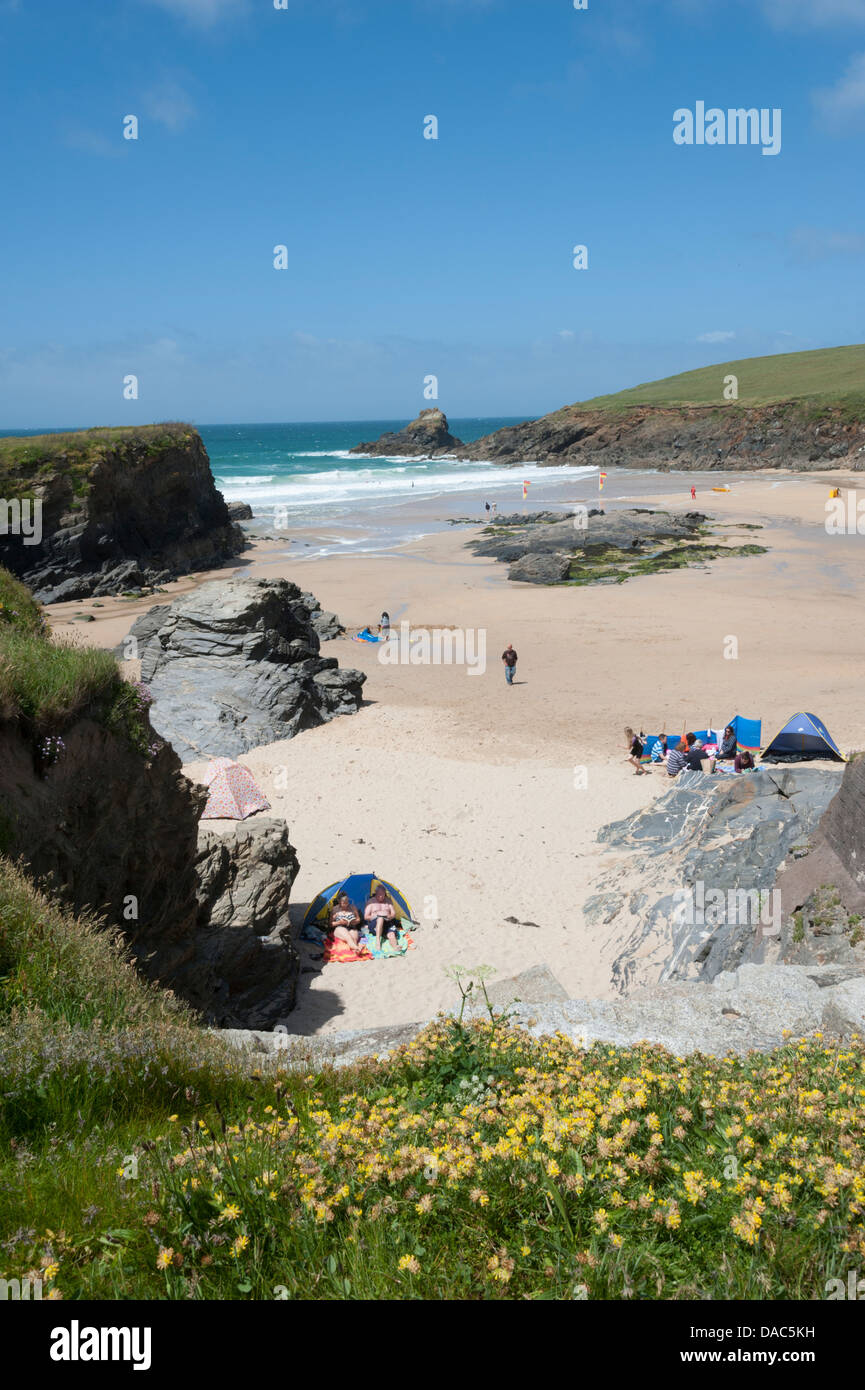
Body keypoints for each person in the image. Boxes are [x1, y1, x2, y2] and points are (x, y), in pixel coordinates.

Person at [364, 884, 400, 951]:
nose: (381, 896)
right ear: (376, 893)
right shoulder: (371, 902)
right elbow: (366, 917)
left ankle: (395, 946)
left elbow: (393, 913)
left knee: (391, 934)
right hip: (375, 924)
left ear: (385, 893)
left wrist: (390, 916)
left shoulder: (388, 901)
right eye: (379, 894)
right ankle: (378, 941)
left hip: (387, 922)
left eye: (382, 894)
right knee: (380, 918)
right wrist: (376, 915)